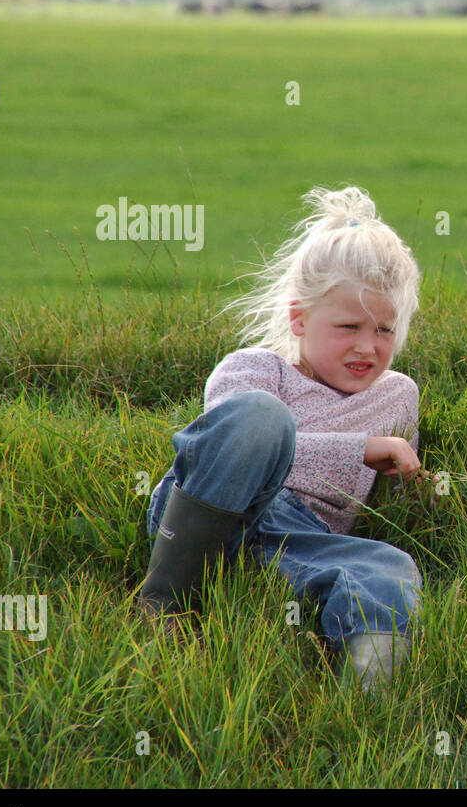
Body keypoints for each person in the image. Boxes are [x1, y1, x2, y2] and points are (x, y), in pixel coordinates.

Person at [139, 186, 424, 692]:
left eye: (384, 329)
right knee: (261, 418)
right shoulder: (253, 369)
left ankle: (366, 698)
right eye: (348, 326)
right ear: (299, 319)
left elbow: (390, 497)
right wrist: (358, 449)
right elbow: (233, 451)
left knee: (388, 566)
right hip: (209, 514)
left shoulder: (396, 395)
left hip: (302, 541)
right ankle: (165, 606)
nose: (367, 345)